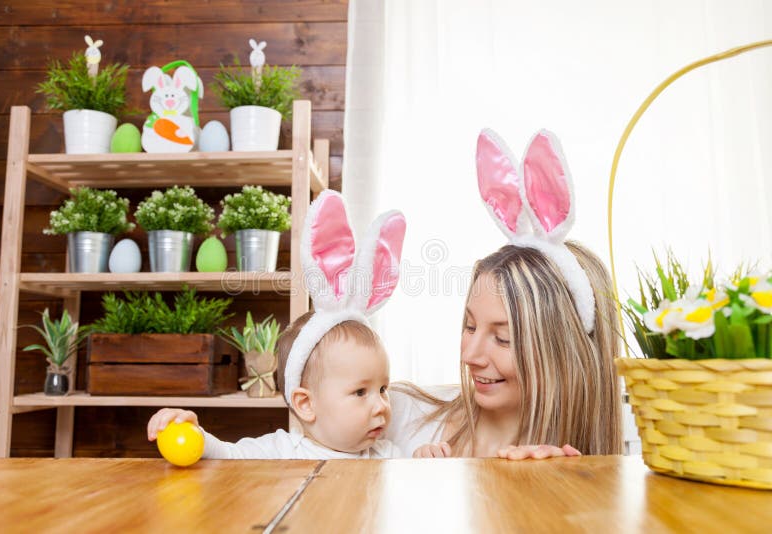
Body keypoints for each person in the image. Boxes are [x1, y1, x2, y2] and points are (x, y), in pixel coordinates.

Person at [386, 129, 623, 459]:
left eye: (503, 338)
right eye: (470, 327)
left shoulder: (583, 468)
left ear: (565, 353)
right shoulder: (394, 418)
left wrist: (561, 491)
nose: (471, 355)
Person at [147, 190, 408, 459]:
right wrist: (197, 436)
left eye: (383, 389)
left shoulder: (386, 455)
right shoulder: (281, 451)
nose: (380, 406)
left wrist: (426, 458)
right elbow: (228, 455)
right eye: (360, 392)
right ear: (306, 404)